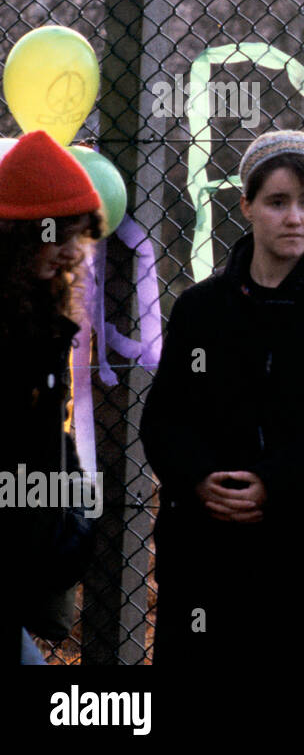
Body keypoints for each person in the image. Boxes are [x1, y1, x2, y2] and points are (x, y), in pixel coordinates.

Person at [141, 129, 304, 665]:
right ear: (247, 205)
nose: (295, 218)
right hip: (206, 551)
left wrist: (275, 483)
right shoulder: (201, 309)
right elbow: (165, 418)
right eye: (277, 202)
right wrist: (199, 479)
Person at [0, 131, 103, 664]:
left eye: (78, 234)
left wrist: (71, 529)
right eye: (56, 232)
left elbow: (40, 445)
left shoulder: (43, 321)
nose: (69, 249)